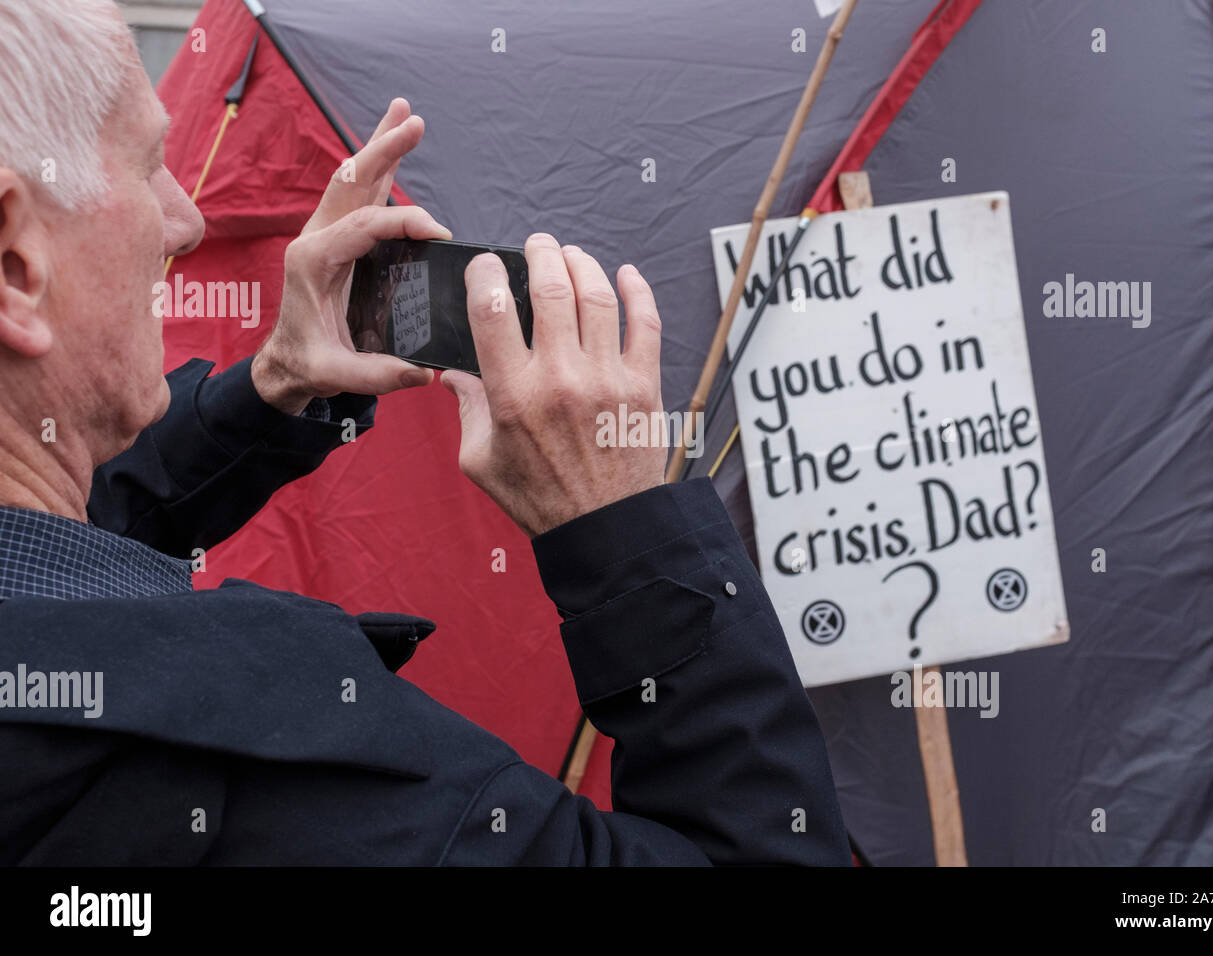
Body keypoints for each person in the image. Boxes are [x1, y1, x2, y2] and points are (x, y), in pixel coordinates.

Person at [0, 0, 850, 865]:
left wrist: (274, 387)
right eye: (150, 166)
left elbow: (50, 548)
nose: (188, 221)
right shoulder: (274, 760)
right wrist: (626, 528)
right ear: (16, 265)